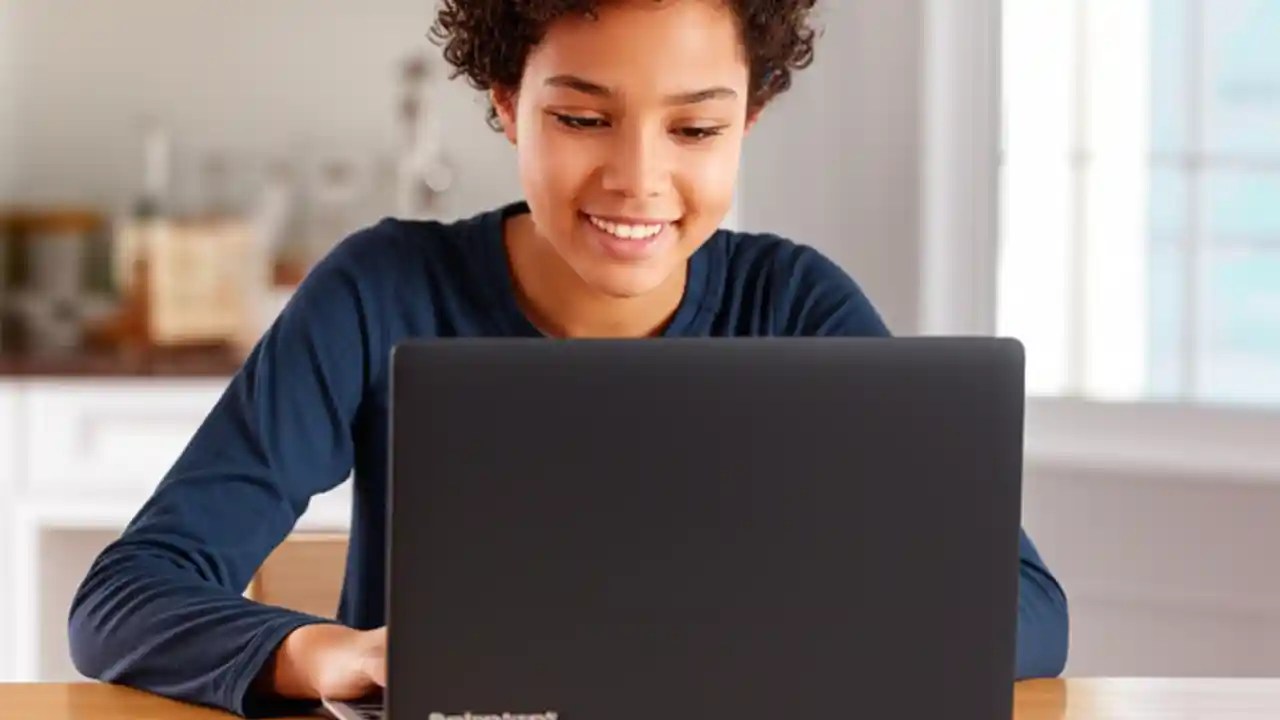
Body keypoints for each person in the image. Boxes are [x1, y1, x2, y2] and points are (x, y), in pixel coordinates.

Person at [68, 0, 1069, 716]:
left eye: (696, 127)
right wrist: (320, 653)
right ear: (506, 101)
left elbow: (1025, 612)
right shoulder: (380, 292)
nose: (638, 179)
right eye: (582, 118)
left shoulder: (794, 304)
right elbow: (125, 600)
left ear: (747, 121)